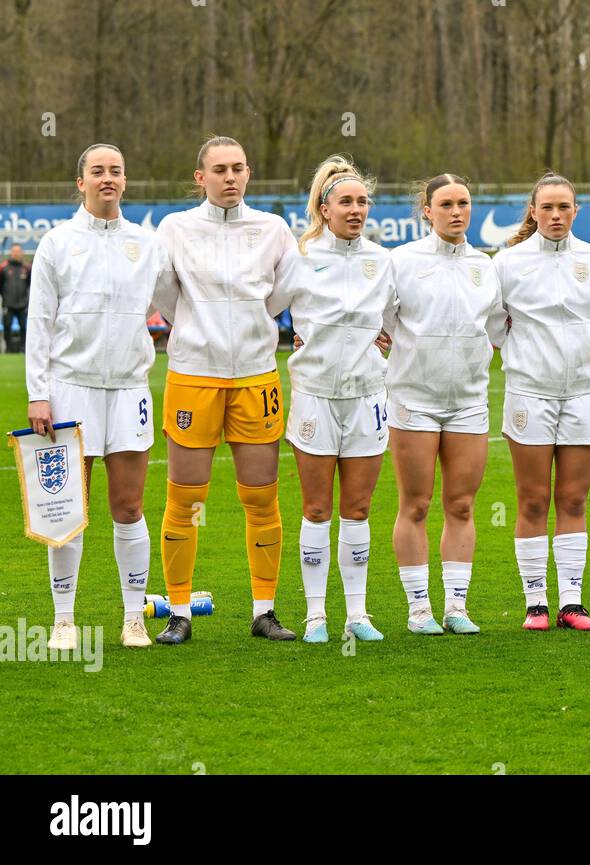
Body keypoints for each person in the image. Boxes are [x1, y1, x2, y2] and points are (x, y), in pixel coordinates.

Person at [152, 135, 298, 644]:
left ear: (249, 173)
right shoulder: (175, 229)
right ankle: (178, 612)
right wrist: (199, 327)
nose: (230, 177)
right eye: (219, 170)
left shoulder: (273, 229)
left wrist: (248, 325)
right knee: (186, 499)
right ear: (200, 178)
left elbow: (280, 293)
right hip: (194, 374)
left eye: (238, 168)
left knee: (261, 498)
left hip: (257, 375)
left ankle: (264, 612)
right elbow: (166, 296)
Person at [25, 143, 171, 649]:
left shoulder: (146, 243)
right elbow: (39, 323)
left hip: (129, 390)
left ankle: (134, 619)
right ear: (80, 182)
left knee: (128, 507)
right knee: (67, 507)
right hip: (70, 390)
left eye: (116, 171)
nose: (107, 178)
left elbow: (180, 305)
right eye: (97, 171)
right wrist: (38, 395)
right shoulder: (57, 243)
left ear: (125, 181)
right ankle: (64, 620)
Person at [268, 155, 397, 643]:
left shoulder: (383, 260)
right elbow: (266, 309)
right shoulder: (299, 257)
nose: (356, 209)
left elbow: (401, 318)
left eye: (363, 201)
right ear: (325, 209)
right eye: (346, 201)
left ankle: (358, 614)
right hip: (315, 397)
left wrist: (386, 342)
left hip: (367, 396)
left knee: (358, 509)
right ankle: (316, 614)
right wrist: (295, 342)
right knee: (317, 509)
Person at [494, 172, 590, 631]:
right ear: (533, 210)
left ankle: (572, 603)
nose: (555, 215)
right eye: (547, 207)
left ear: (575, 211)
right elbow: (492, 323)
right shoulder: (508, 262)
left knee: (573, 498)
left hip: (584, 392)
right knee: (531, 500)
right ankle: (535, 604)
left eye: (564, 207)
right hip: (529, 392)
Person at [387, 173, 506, 636]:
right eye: (447, 204)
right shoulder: (402, 261)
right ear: (427, 211)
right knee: (415, 504)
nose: (457, 211)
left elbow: (496, 327)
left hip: (469, 402)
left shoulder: (484, 265)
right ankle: (419, 609)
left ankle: (456, 605)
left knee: (461, 505)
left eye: (464, 203)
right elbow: (384, 320)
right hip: (414, 399)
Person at [3, 242, 31, 352]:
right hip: (8, 304)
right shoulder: (4, 268)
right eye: (14, 251)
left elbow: (30, 285)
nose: (16, 253)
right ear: (11, 253)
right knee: (7, 327)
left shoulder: (27, 268)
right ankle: (8, 349)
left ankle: (23, 349)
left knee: (24, 327)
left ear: (22, 253)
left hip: (23, 305)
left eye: (18, 251)